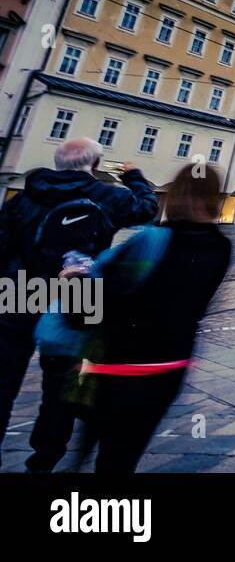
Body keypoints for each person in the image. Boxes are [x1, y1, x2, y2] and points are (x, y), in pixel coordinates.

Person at [0, 137, 158, 472]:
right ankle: (46, 454)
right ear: (96, 165)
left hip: (21, 286)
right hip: (78, 290)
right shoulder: (107, 196)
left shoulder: (24, 196)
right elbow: (147, 209)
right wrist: (134, 175)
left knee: (3, 373)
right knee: (62, 380)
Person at [79, 164, 232, 473]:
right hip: (171, 363)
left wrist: (73, 278)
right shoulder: (222, 246)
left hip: (121, 360)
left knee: (96, 448)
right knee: (126, 452)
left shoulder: (150, 239)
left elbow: (88, 305)